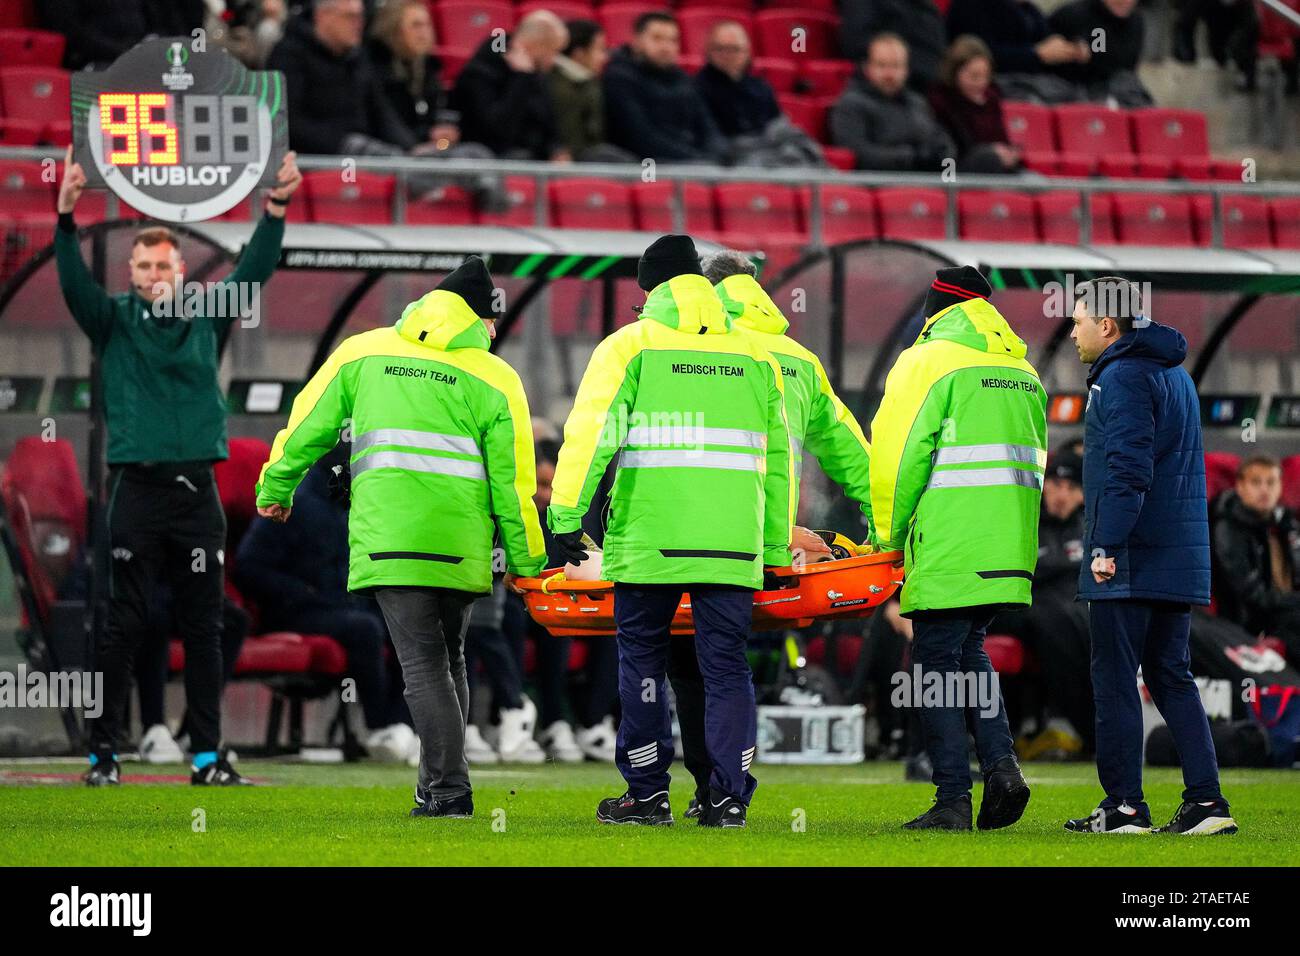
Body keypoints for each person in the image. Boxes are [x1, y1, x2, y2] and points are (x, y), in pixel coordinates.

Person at [256, 256, 547, 818]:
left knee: (423, 666)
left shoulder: (363, 352)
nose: (492, 331)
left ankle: (447, 793)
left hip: (390, 538)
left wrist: (277, 484)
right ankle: (437, 785)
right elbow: (515, 485)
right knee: (450, 661)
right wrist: (526, 558)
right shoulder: (496, 377)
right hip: (462, 544)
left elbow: (307, 425)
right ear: (475, 317)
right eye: (491, 321)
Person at [56, 147, 300, 787]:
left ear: (181, 268)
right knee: (121, 625)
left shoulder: (206, 315)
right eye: (142, 263)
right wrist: (63, 217)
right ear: (131, 273)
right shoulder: (111, 320)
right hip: (136, 489)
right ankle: (103, 756)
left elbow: (256, 266)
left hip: (197, 493)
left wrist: (274, 208)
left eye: (162, 262)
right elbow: (72, 283)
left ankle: (206, 758)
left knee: (205, 625)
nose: (153, 271)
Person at [548, 234, 793, 828]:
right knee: (727, 668)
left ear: (651, 288)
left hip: (649, 539)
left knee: (644, 666)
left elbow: (590, 435)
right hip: (731, 544)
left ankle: (647, 794)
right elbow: (781, 459)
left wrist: (563, 518)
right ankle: (728, 797)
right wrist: (776, 546)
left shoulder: (629, 346)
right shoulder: (757, 354)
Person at [662, 249, 875, 818]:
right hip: (768, 548)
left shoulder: (689, 345)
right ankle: (731, 792)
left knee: (685, 664)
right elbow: (853, 457)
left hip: (686, 533)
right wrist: (880, 529)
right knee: (728, 662)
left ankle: (702, 786)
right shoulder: (801, 360)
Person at [870, 266, 1045, 831]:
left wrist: (884, 539)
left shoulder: (926, 363)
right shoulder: (1022, 370)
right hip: (1007, 550)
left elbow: (898, 462)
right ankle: (1002, 768)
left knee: (935, 666)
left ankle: (950, 801)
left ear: (933, 312)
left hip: (948, 544)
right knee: (970, 653)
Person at [1065, 276, 1236, 836]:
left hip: (1130, 555)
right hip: (1176, 552)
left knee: (1114, 678)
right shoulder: (1175, 374)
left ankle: (1123, 808)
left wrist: (1106, 545)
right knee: (1171, 675)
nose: (1073, 329)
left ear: (1108, 326)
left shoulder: (1122, 376)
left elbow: (1129, 470)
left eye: (1080, 318)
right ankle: (1208, 804)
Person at [236, 451, 419, 763]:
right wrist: (300, 592)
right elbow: (248, 566)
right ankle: (379, 727)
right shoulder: (294, 500)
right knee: (365, 629)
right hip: (294, 612)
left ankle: (403, 728)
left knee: (410, 624)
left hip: (343, 606)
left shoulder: (358, 505)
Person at [990, 447, 1094, 758]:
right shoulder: (1022, 520)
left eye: (1072, 487)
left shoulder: (1092, 527)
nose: (1062, 495)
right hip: (1020, 607)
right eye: (1055, 485)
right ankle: (1083, 727)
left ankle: (1082, 725)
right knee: (1053, 621)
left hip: (1074, 610)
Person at [268, 0, 418, 156]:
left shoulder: (358, 58)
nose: (358, 24)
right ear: (323, 16)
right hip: (313, 161)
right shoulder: (288, 56)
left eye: (360, 17)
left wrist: (412, 150)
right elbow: (287, 122)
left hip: (362, 154)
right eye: (350, 17)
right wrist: (343, 143)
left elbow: (381, 114)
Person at [603, 12, 729, 164]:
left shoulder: (682, 79)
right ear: (636, 41)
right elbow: (640, 138)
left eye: (672, 40)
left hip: (693, 160)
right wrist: (697, 160)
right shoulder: (618, 77)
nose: (666, 47)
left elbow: (708, 127)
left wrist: (716, 156)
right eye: (657, 38)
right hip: (646, 165)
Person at [695, 21, 825, 168]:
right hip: (735, 157)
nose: (728, 55)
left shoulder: (760, 87)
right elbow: (711, 139)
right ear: (708, 51)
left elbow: (778, 125)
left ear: (747, 52)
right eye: (721, 49)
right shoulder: (697, 88)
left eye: (735, 49)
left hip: (770, 150)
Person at [1213, 456, 1300, 664]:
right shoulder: (1228, 529)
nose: (1264, 490)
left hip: (1285, 610)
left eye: (1271, 482)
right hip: (1250, 622)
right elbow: (1251, 595)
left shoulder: (1287, 524)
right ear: (1240, 486)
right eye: (1256, 482)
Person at [451, 10, 571, 161]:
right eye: (552, 51)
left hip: (532, 158)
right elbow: (497, 130)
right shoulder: (480, 72)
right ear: (533, 46)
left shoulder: (535, 74)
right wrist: (521, 80)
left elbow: (548, 125)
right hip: (489, 159)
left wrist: (556, 149)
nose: (554, 61)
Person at [828, 33, 955, 172]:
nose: (889, 74)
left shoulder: (917, 103)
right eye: (882, 65)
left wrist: (941, 155)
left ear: (906, 70)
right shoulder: (850, 104)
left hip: (926, 182)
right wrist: (911, 158)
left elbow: (940, 141)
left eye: (896, 66)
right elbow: (857, 153)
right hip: (878, 183)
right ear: (867, 68)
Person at [945, 0, 1090, 103]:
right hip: (993, 84)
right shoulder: (971, 6)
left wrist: (1071, 52)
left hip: (1037, 84)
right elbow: (982, 56)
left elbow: (1050, 45)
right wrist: (1035, 55)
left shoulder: (1030, 12)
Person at [928, 36, 1021, 174]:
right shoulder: (940, 101)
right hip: (956, 169)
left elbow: (1002, 138)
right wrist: (990, 153)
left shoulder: (992, 98)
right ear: (955, 72)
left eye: (985, 76)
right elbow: (948, 152)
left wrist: (1009, 153)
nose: (981, 83)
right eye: (974, 76)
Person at [548, 19, 635, 163]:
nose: (605, 57)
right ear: (579, 54)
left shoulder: (589, 82)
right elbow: (573, 141)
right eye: (600, 49)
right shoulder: (561, 87)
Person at [1048, 0, 1154, 107]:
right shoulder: (1073, 15)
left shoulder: (1137, 22)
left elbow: (1127, 69)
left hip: (1115, 93)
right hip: (1069, 93)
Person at [839, 0, 947, 92]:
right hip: (880, 87)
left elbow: (936, 45)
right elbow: (857, 41)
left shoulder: (926, 7)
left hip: (924, 83)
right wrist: (898, 65)